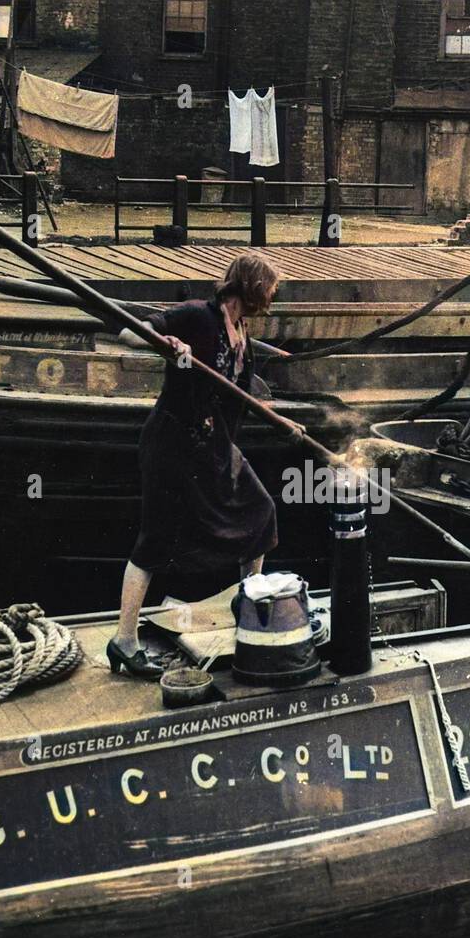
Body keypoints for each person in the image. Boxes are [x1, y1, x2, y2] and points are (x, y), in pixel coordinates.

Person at [107, 253, 297, 678]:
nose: (272, 297)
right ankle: (124, 641)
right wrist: (166, 343)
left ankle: (247, 603)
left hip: (214, 447)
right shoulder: (197, 316)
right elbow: (127, 332)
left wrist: (281, 421)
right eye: (270, 288)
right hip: (173, 445)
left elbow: (238, 396)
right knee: (155, 541)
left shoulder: (242, 332)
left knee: (260, 512)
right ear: (252, 287)